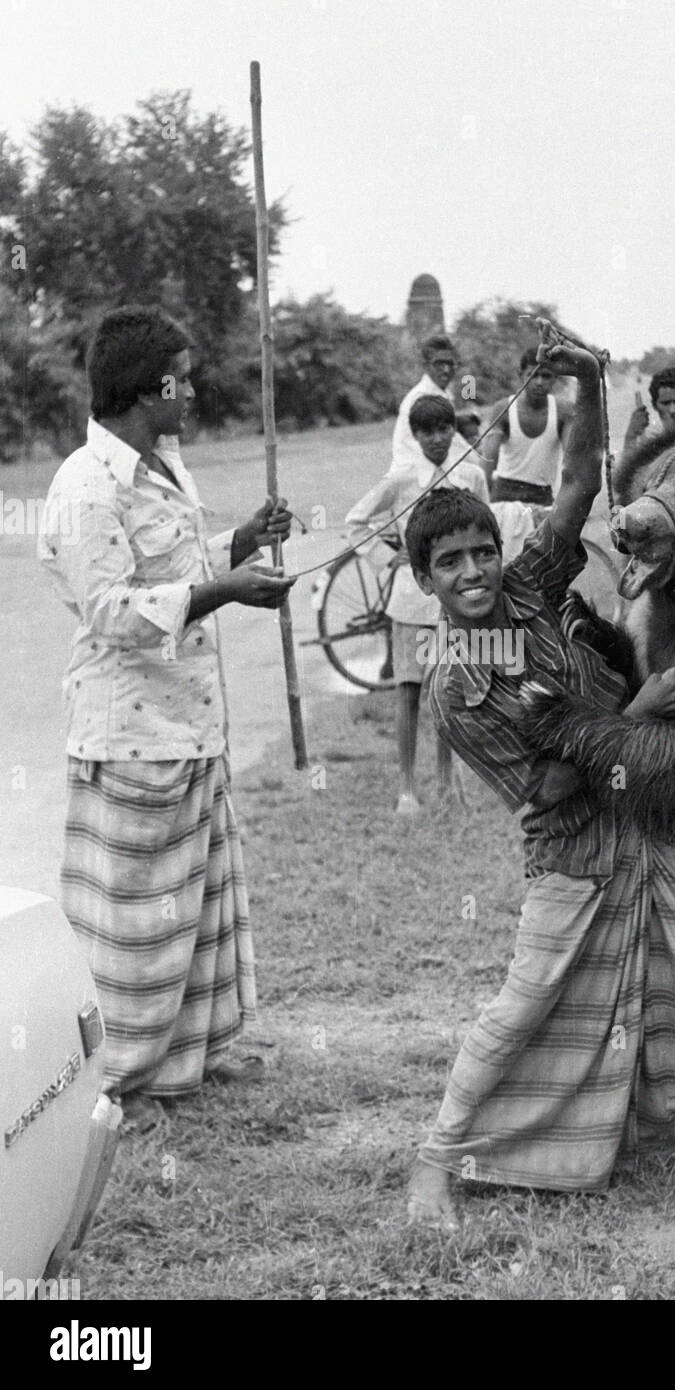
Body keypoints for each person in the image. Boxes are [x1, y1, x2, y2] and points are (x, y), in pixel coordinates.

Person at [403, 336, 675, 1230]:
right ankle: (435, 1166)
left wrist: (589, 382)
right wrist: (636, 714)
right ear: (424, 581)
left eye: (479, 552)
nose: (472, 572)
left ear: (499, 548)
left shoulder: (529, 584)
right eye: (449, 564)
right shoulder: (457, 688)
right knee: (524, 1008)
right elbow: (549, 789)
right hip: (573, 851)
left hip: (654, 809)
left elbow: (575, 484)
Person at [38, 305, 297, 1130]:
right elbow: (111, 610)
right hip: (131, 733)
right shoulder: (87, 484)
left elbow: (175, 566)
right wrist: (223, 593)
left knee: (191, 908)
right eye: (182, 379)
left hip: (188, 722)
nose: (193, 392)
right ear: (152, 390)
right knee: (133, 925)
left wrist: (238, 545)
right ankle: (118, 1083)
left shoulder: (160, 466)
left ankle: (186, 1061)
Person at [346, 393, 489, 816]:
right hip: (411, 601)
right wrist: (389, 557)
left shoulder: (471, 475)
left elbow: (487, 528)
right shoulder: (403, 477)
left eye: (444, 429)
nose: (438, 439)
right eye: (427, 432)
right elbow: (356, 521)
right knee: (409, 690)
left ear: (453, 430)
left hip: (457, 601)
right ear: (415, 435)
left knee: (452, 688)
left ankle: (448, 781)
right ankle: (406, 787)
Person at [478, 348, 571, 504]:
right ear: (521, 375)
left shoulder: (563, 411)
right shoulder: (503, 409)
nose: (539, 382)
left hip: (542, 495)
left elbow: (571, 463)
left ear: (555, 378)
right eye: (532, 375)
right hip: (504, 493)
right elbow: (488, 461)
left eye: (546, 376)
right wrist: (481, 503)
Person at [391, 333, 461, 475]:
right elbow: (451, 445)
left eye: (450, 363)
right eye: (439, 364)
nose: (446, 369)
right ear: (426, 366)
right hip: (413, 475)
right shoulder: (422, 397)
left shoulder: (443, 393)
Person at [618, 366, 675, 468]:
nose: (672, 410)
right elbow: (625, 475)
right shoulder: (648, 441)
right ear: (655, 406)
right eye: (665, 403)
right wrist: (631, 436)